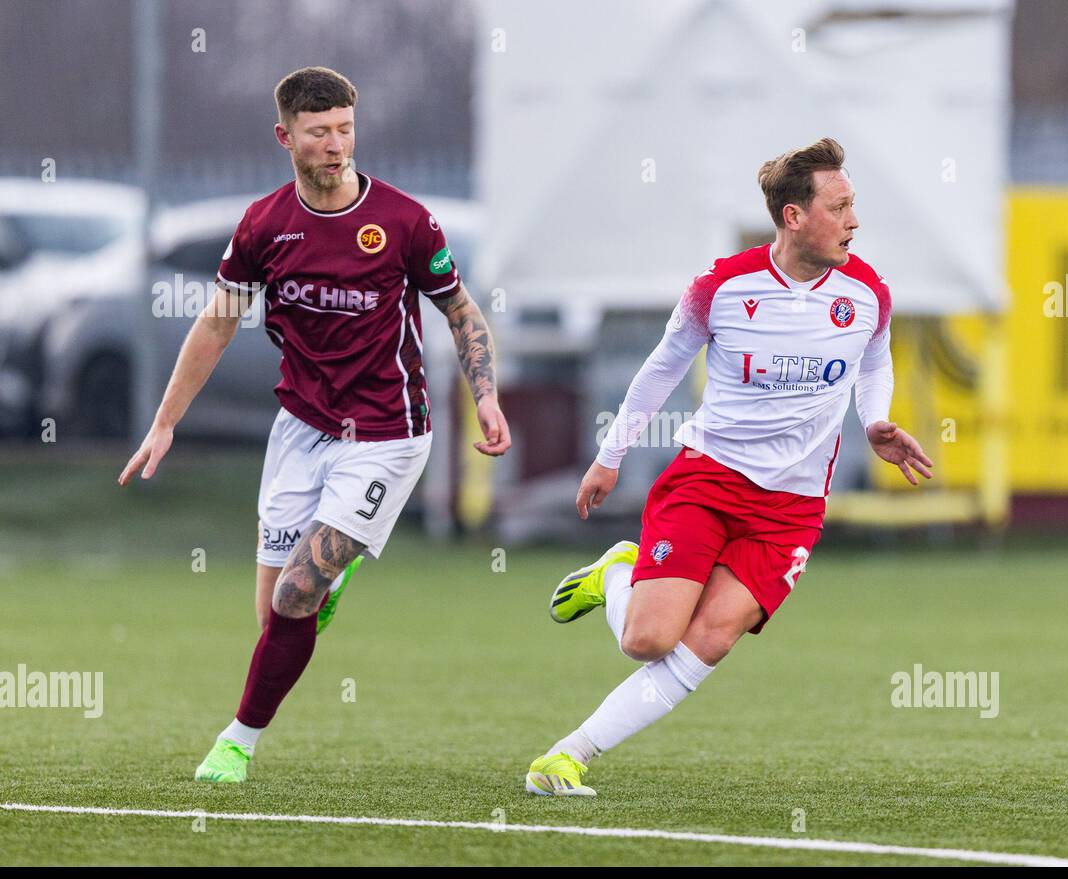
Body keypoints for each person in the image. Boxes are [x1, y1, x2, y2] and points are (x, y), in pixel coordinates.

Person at [118, 67, 510, 783]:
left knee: (298, 590)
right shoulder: (265, 226)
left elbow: (461, 309)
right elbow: (215, 322)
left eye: (345, 131)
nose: (336, 145)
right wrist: (165, 421)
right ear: (286, 137)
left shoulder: (404, 221)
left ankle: (235, 742)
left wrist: (485, 394)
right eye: (319, 132)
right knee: (273, 614)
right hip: (300, 430)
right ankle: (332, 574)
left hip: (389, 432)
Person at [526, 138, 931, 797]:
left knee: (710, 641)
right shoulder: (721, 287)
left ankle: (565, 757)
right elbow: (662, 368)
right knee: (648, 640)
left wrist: (875, 418)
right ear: (794, 217)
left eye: (854, 205)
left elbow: (874, 360)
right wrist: (609, 456)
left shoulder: (867, 294)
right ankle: (616, 573)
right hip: (708, 481)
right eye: (841, 206)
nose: (855, 220)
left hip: (791, 510)